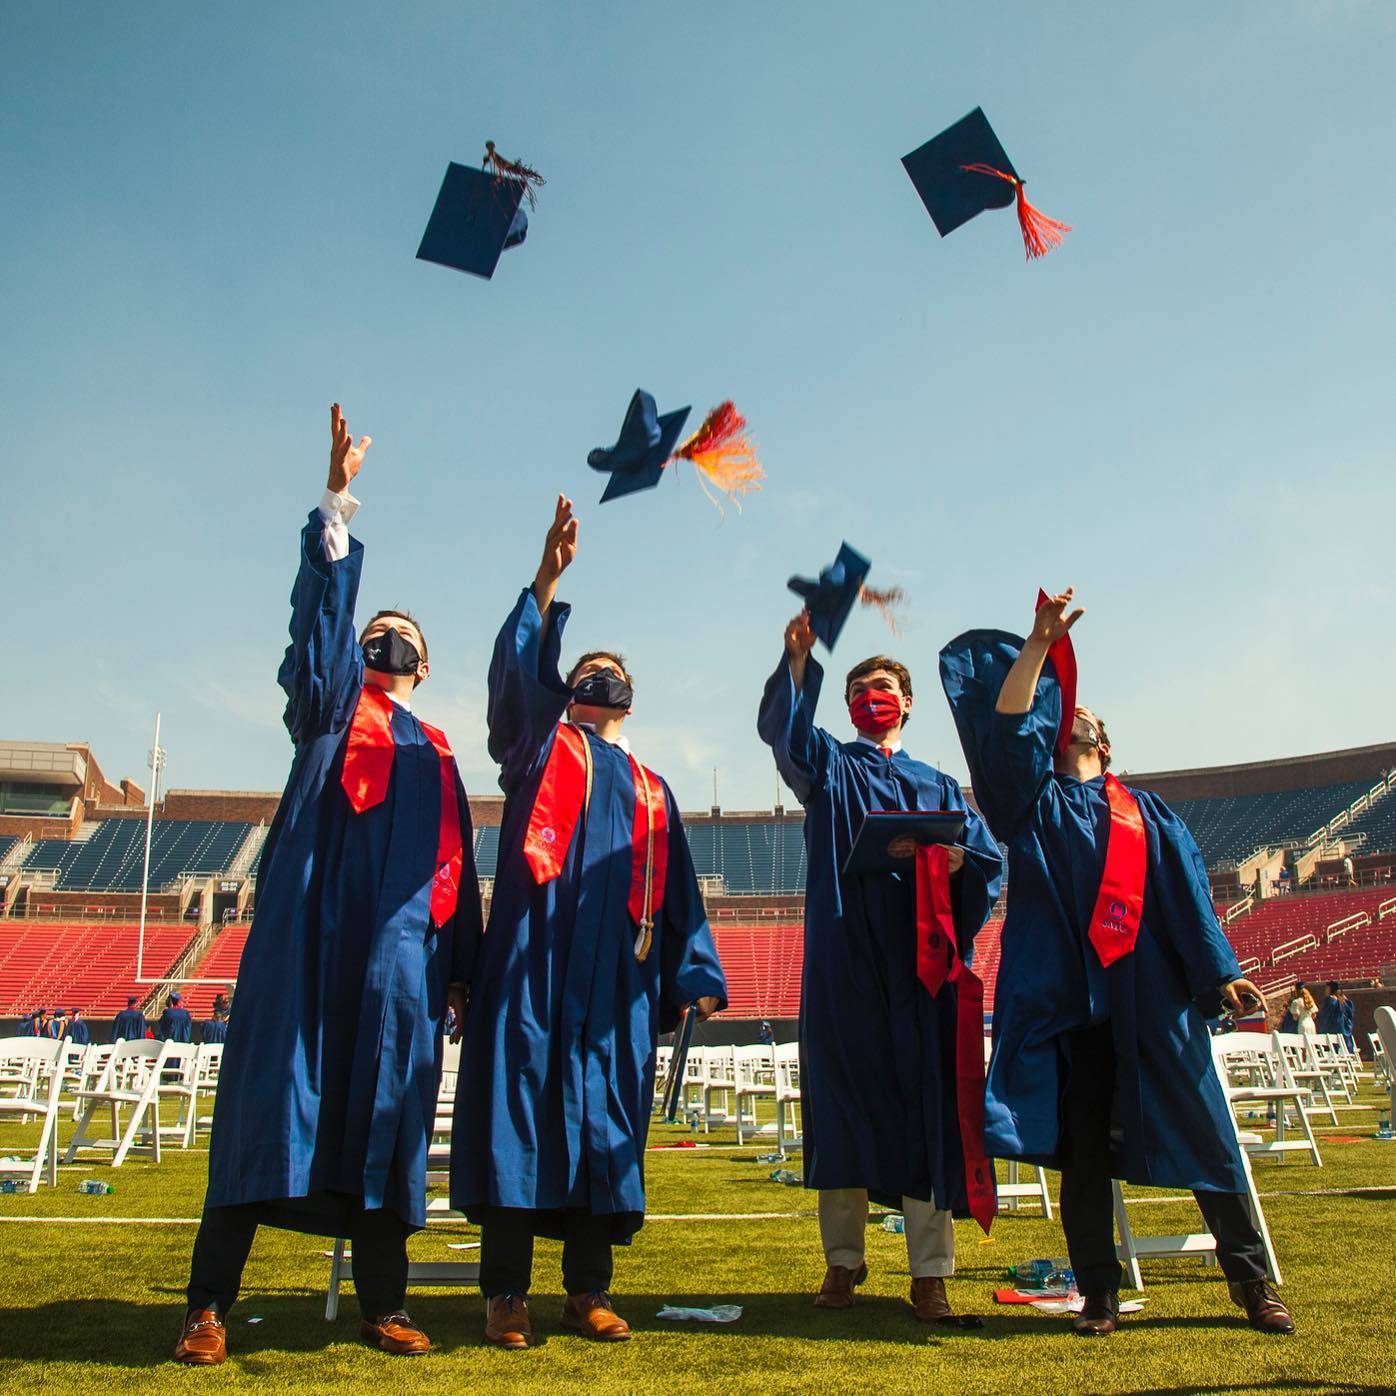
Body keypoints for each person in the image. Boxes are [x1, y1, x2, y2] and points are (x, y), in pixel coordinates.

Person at [175, 404, 483, 1366]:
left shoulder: (437, 753)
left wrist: (460, 972)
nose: (385, 641)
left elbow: (459, 874)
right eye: (375, 630)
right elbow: (317, 630)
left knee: (383, 1120)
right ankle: (207, 1308)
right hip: (305, 945)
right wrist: (336, 503)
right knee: (273, 1105)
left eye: (401, 638)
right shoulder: (325, 707)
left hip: (398, 965)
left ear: (425, 669)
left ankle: (382, 1305)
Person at [939, 589, 1294, 1337]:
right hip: (1071, 1007)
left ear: (1105, 741)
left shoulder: (1149, 813)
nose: (1076, 719)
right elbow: (1007, 733)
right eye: (1066, 714)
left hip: (1151, 1000)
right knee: (1083, 1157)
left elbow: (1190, 901)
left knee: (1206, 1136)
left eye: (1086, 717)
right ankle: (1098, 1294)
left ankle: (1253, 1283)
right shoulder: (1031, 808)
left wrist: (1220, 971)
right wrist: (1038, 646)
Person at [450, 495, 727, 1351]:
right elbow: (516, 681)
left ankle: (587, 1290)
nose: (600, 681)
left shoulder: (653, 791)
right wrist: (545, 581)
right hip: (531, 972)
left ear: (630, 701)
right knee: (516, 1122)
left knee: (604, 1132)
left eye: (613, 675)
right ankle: (505, 1296)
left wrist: (695, 979)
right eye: (587, 671)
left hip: (615, 986)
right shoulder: (539, 744)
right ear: (568, 686)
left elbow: (679, 895)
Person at [757, 610, 1004, 1323]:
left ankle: (929, 1272)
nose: (873, 695)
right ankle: (843, 1261)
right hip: (847, 963)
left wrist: (959, 861)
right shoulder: (832, 767)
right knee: (841, 1108)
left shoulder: (940, 786)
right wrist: (798, 661)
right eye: (860, 688)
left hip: (919, 967)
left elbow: (985, 861)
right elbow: (787, 735)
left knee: (926, 1111)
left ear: (909, 702)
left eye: (885, 686)